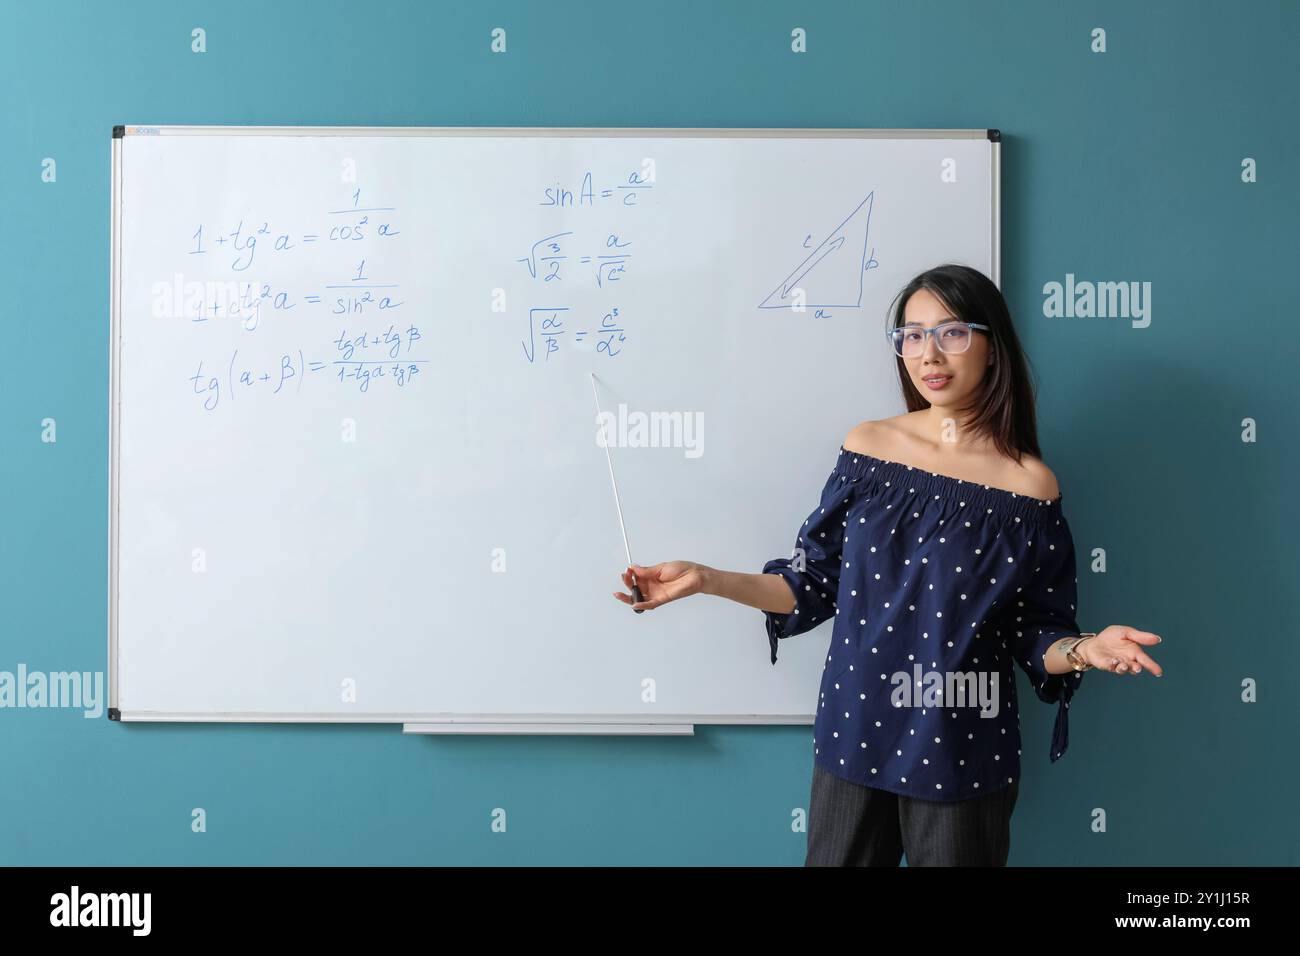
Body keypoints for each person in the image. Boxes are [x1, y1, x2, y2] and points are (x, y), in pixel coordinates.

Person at [612, 262, 1164, 866]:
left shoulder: (1030, 489)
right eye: (912, 334)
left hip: (962, 742)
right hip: (857, 726)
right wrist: (706, 580)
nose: (929, 352)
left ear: (992, 344)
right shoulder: (868, 448)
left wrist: (1088, 648)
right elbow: (812, 587)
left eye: (952, 332)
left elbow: (1034, 632)